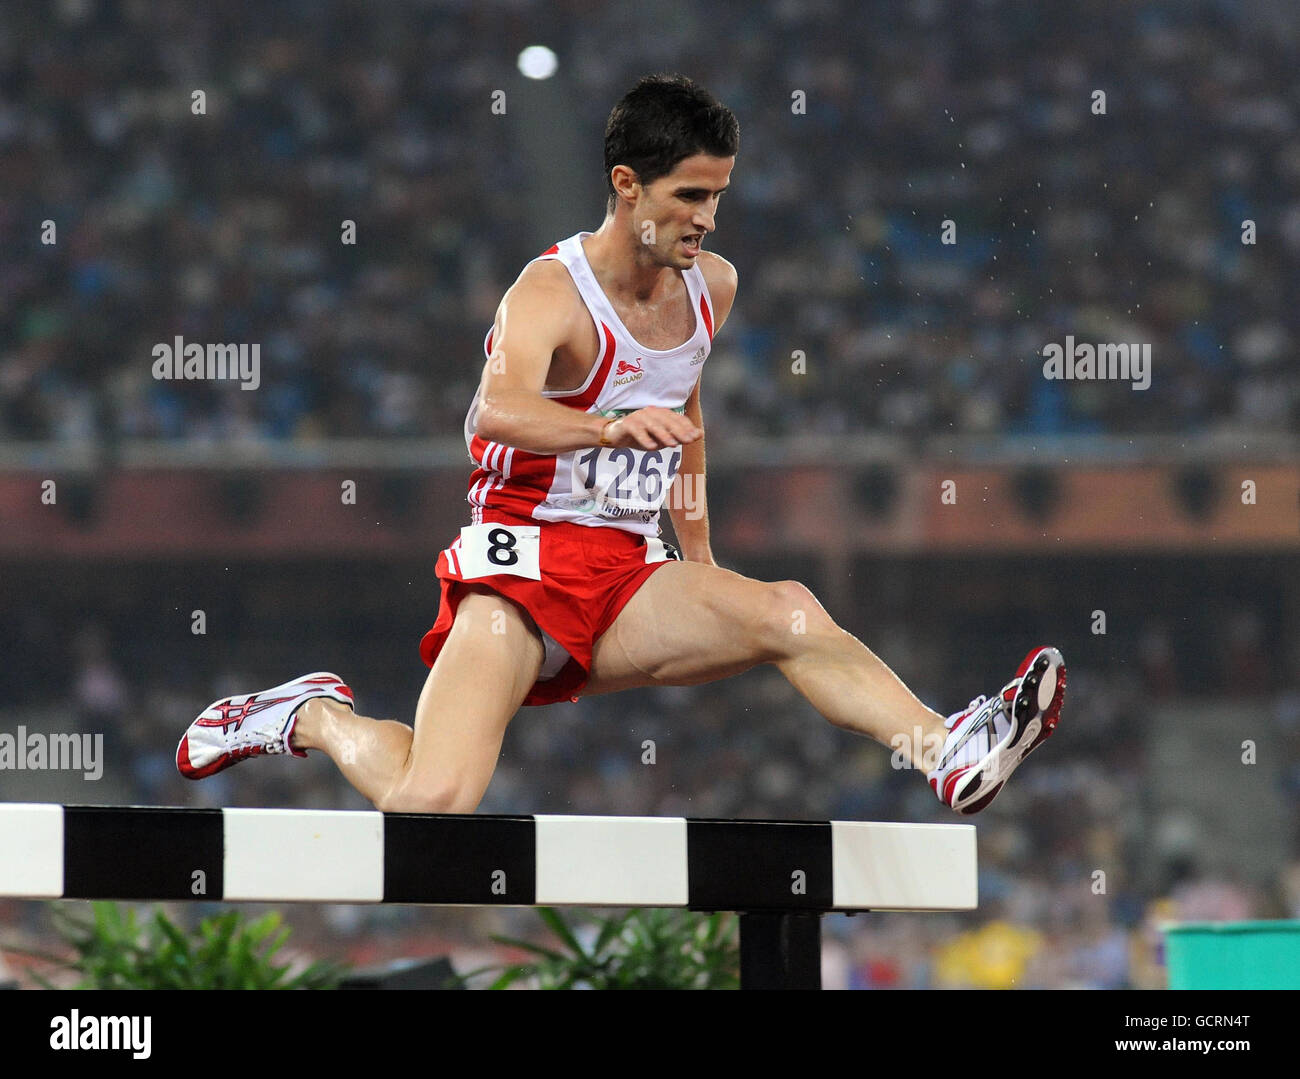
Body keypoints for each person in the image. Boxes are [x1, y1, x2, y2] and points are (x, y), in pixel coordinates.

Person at [176, 74, 1065, 816]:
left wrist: (704, 561)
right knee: (432, 808)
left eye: (718, 196)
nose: (708, 219)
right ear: (627, 184)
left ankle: (945, 745)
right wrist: (606, 426)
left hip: (629, 571)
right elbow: (492, 411)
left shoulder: (712, 286)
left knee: (786, 610)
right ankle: (313, 716)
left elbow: (690, 422)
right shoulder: (550, 292)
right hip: (518, 570)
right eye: (689, 196)